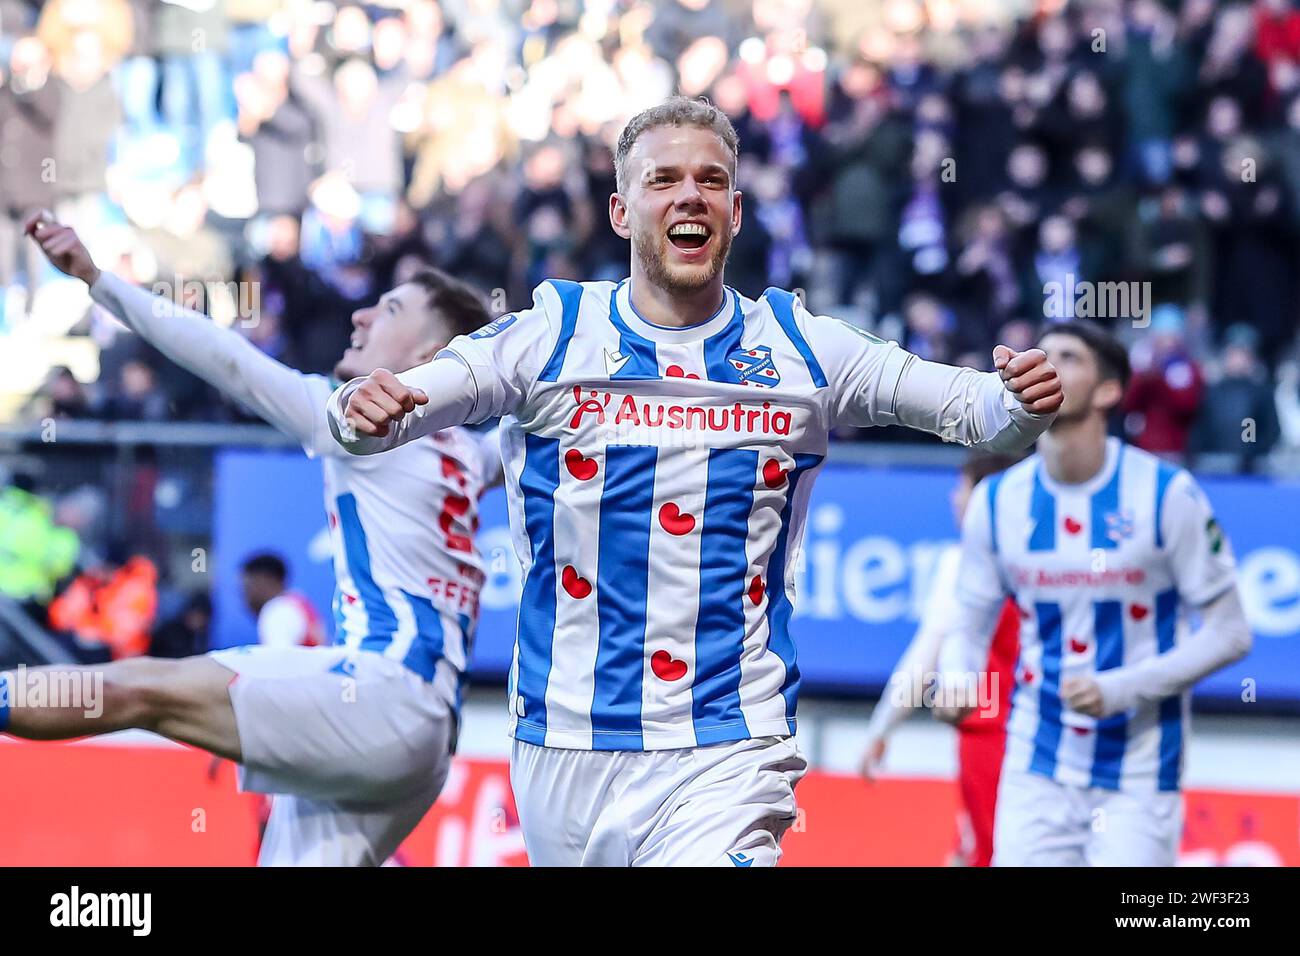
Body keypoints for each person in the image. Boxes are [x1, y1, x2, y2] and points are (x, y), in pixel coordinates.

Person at [327, 96, 1063, 867]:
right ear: (620, 211)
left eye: (712, 181)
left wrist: (1018, 400)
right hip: (562, 743)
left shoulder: (804, 351)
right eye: (664, 179)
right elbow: (407, 401)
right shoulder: (551, 332)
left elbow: (974, 411)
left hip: (729, 741)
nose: (690, 196)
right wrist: (361, 413)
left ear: (736, 212)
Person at [6, 210, 500, 866]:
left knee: (138, 689)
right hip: (425, 746)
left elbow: (228, 360)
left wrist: (99, 279)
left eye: (386, 308)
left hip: (382, 692)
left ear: (427, 357)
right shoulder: (474, 453)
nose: (359, 317)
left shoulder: (361, 417)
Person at [935, 319, 1252, 866]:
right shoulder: (997, 501)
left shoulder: (1166, 494)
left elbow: (1231, 633)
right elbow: (968, 619)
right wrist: (958, 676)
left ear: (1108, 391)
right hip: (1035, 761)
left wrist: (1124, 688)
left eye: (1068, 356)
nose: (1045, 363)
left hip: (1140, 770)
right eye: (1041, 352)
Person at [858, 453, 1022, 868]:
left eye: (962, 488)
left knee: (989, 853)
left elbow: (925, 653)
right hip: (1044, 737)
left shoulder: (964, 563)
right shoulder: (1047, 560)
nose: (954, 499)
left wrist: (882, 727)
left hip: (988, 736)